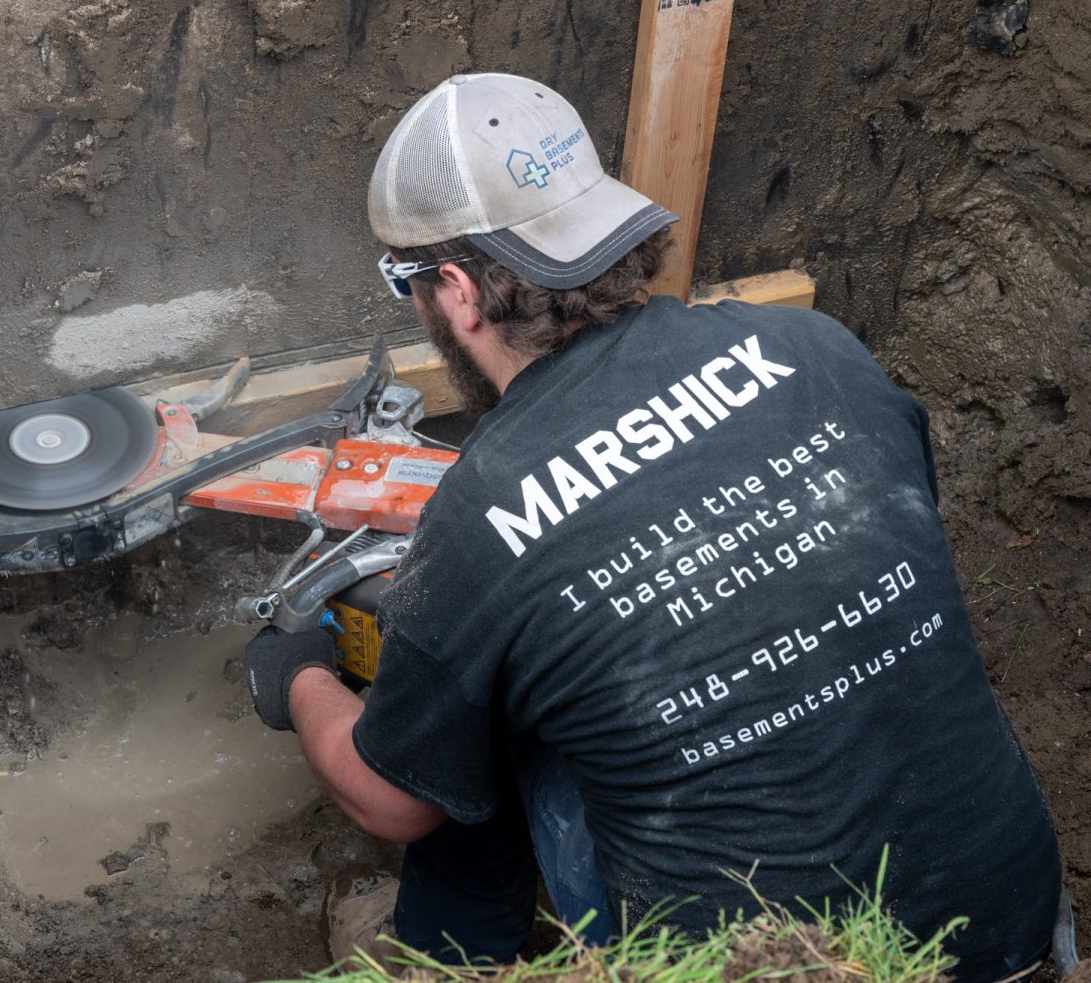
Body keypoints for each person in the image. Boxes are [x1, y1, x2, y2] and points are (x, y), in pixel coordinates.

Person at [242, 72, 1070, 982]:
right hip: (1012, 925)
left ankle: (441, 960)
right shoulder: (817, 349)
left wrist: (299, 676)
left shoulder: (486, 512)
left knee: (470, 743)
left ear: (456, 291)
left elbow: (393, 807)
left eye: (405, 285)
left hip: (758, 964)